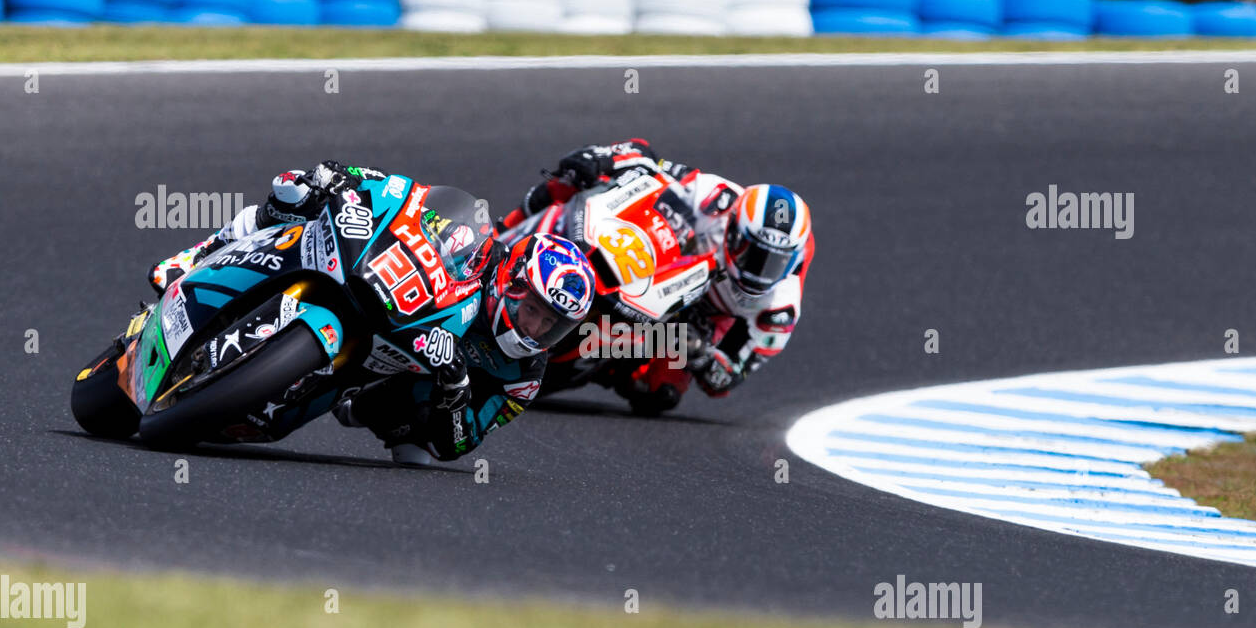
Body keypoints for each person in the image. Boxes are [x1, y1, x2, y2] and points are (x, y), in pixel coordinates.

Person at [147, 161, 596, 463]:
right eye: (535, 310)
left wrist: (455, 387)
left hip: (401, 371)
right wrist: (345, 178)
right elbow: (414, 199)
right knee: (295, 194)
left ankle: (342, 398)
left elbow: (459, 443)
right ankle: (196, 257)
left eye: (552, 324)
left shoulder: (525, 375)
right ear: (514, 282)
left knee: (415, 452)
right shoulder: (484, 254)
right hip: (390, 293)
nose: (537, 327)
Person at [500, 139, 814, 413]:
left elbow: (727, 378)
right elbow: (648, 160)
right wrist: (603, 159)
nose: (758, 271)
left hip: (697, 319)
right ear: (733, 230)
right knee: (576, 176)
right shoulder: (714, 199)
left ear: (794, 259)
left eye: (774, 262)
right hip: (666, 260)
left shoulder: (779, 310)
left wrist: (702, 356)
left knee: (660, 393)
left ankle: (604, 365)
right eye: (750, 253)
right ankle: (503, 232)